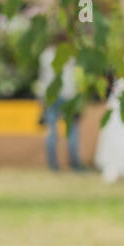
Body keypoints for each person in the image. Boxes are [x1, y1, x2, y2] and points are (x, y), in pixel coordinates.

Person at [38, 44, 84, 172]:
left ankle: (53, 164)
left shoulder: (46, 54)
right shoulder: (72, 54)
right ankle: (75, 163)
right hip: (69, 95)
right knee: (72, 131)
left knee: (52, 131)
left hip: (52, 96)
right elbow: (77, 77)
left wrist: (41, 99)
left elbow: (42, 78)